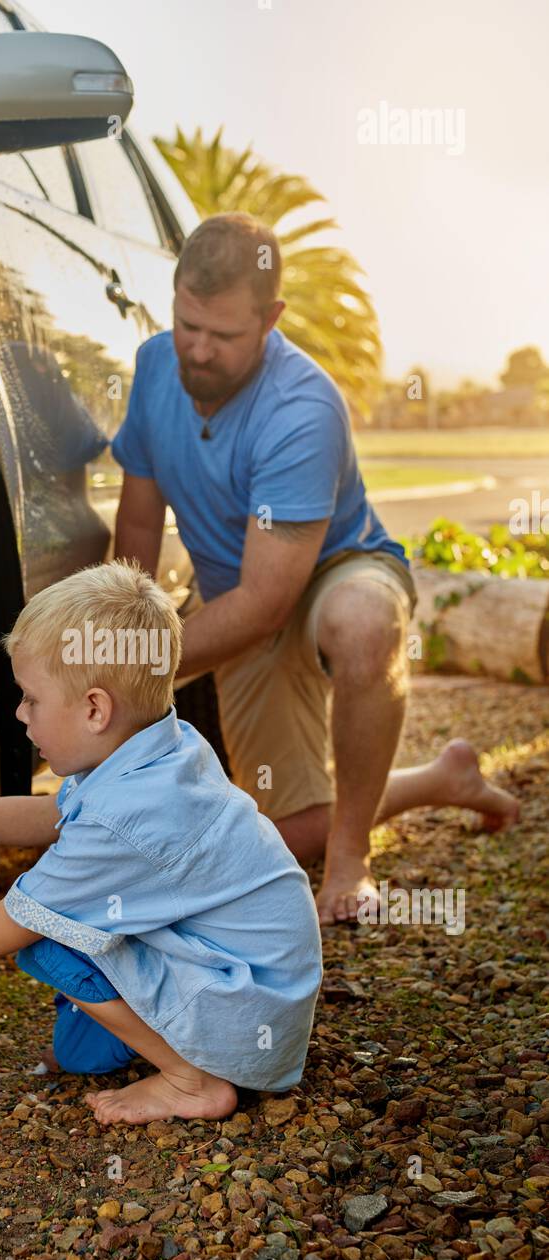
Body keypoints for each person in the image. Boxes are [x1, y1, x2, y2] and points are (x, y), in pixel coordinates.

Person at [111, 212, 518, 927]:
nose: (198, 351)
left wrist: (134, 667)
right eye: (187, 324)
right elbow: (140, 522)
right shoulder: (152, 369)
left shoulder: (302, 406)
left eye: (224, 335)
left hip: (333, 572)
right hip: (236, 591)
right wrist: (123, 630)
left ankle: (352, 857)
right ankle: (438, 778)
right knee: (277, 836)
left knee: (362, 623)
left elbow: (269, 604)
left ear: (271, 319)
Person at [0, 560, 322, 1126]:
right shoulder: (162, 748)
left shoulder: (122, 819)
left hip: (244, 1016)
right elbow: (52, 815)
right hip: (256, 994)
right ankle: (170, 1048)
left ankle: (191, 1081)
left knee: (43, 939)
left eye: (31, 698)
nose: (19, 713)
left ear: (95, 709)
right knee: (80, 1055)